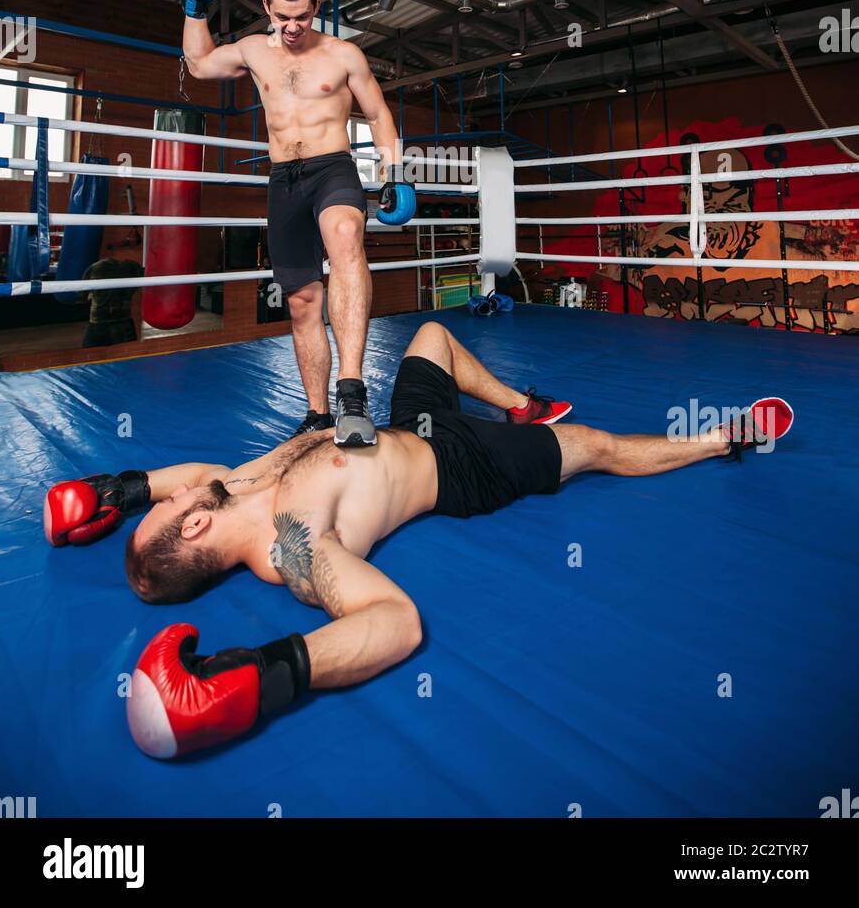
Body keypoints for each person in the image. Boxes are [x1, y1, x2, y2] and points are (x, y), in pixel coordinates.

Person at [43, 323, 793, 757]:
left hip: (414, 424)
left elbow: (194, 472)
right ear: (197, 525)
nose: (176, 493)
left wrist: (118, 494)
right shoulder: (294, 547)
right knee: (592, 444)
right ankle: (717, 441)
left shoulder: (233, 484)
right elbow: (393, 623)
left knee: (432, 333)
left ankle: (523, 404)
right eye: (167, 506)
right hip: (465, 468)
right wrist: (261, 674)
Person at [180, 0, 413, 446]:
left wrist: (398, 174)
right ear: (267, 7)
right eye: (283, 17)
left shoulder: (344, 54)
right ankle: (318, 412)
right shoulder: (253, 51)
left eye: (302, 17)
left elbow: (377, 114)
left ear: (316, 9)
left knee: (346, 240)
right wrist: (195, 9)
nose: (291, 27)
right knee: (303, 301)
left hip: (334, 169)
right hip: (284, 178)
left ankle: (352, 390)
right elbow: (200, 65)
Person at [81, 257, 144, 348]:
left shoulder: (95, 268)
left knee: (90, 357)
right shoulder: (133, 267)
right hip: (124, 321)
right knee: (126, 356)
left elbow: (81, 296)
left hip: (99, 320)